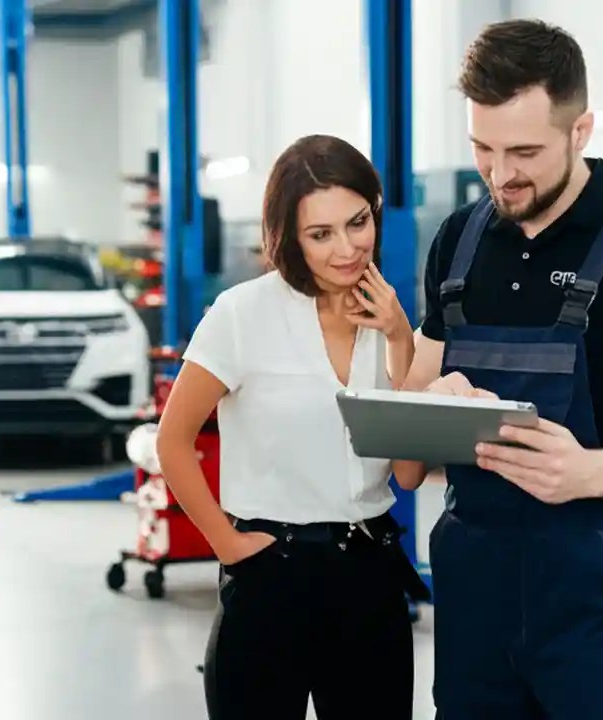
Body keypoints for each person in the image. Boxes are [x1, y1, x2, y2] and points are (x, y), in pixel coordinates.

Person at [394, 19, 603, 720]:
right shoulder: (458, 241)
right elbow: (411, 422)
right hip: (475, 604)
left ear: (581, 130)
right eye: (482, 149)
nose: (500, 173)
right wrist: (435, 400)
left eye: (523, 151)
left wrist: (586, 474)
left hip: (600, 598)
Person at [156, 134, 427, 720]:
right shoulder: (242, 313)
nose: (348, 249)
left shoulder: (388, 318)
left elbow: (408, 473)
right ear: (288, 236)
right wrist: (226, 544)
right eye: (321, 234)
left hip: (369, 576)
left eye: (358, 222)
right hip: (269, 573)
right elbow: (172, 442)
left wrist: (403, 338)